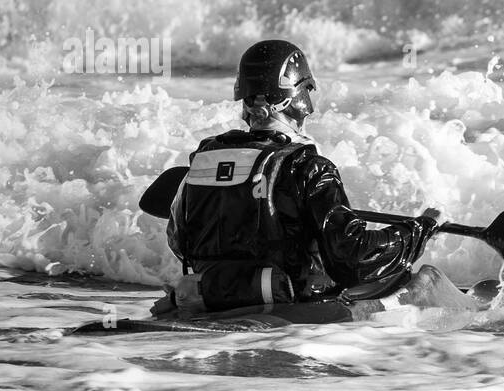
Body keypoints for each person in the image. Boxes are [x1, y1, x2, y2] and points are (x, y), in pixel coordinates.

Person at [155, 39, 478, 320]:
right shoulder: (308, 167)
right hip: (296, 308)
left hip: (208, 299)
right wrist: (421, 229)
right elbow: (353, 259)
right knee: (407, 276)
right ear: (296, 97)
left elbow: (179, 241)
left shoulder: (204, 158)